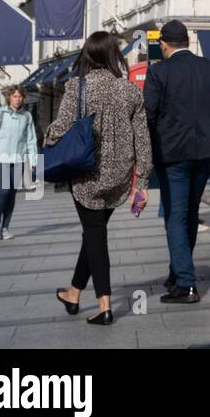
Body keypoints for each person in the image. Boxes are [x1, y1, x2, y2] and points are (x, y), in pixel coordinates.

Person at [45, 32, 152, 326]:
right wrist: (140, 184)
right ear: (112, 55)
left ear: (89, 56)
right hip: (119, 176)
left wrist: (48, 138)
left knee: (95, 236)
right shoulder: (130, 90)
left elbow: (61, 127)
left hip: (87, 174)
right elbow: (143, 140)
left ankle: (104, 305)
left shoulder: (77, 87)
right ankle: (73, 292)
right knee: (92, 235)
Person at [144, 20, 210, 303]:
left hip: (172, 154)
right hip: (205, 151)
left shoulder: (158, 71)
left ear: (164, 44)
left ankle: (185, 283)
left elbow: (149, 113)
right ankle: (177, 272)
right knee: (189, 213)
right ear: (187, 41)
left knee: (175, 215)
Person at [0, 85, 38, 240]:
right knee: (4, 191)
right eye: (14, 96)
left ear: (23, 98)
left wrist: (33, 161)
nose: (17, 99)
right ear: (9, 97)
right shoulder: (0, 114)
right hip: (1, 159)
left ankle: (5, 228)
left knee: (12, 194)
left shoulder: (27, 116)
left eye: (20, 96)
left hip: (19, 160)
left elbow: (31, 140)